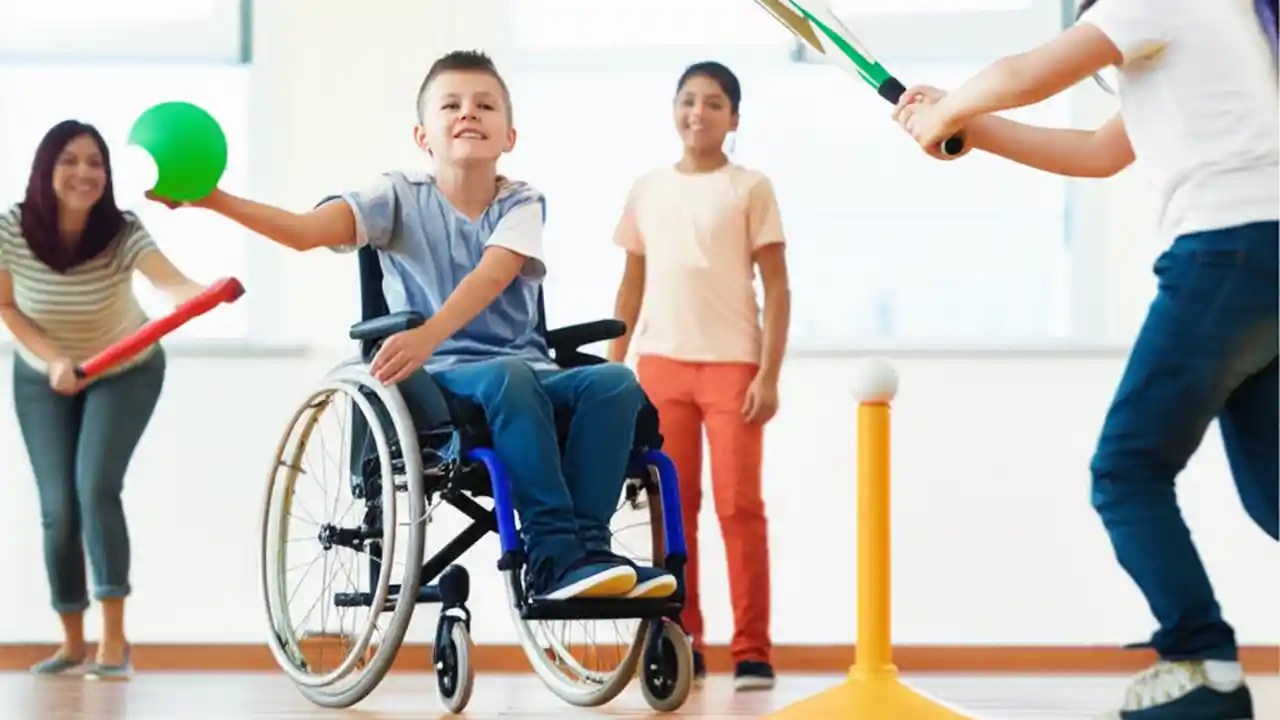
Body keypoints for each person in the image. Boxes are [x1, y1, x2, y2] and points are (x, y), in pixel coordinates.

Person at [153, 49, 678, 603]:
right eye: (451, 105)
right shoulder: (395, 197)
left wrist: (430, 330)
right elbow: (305, 232)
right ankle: (552, 557)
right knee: (509, 377)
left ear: (509, 136)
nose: (468, 113)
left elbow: (493, 274)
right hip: (438, 380)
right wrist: (214, 199)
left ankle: (587, 552)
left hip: (525, 369)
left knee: (615, 382)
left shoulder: (522, 202)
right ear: (422, 135)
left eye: (485, 105)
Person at [892, 1, 1277, 717]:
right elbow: (1099, 153)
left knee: (1127, 472)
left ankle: (1202, 668)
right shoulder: (1226, 18)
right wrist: (968, 125)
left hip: (1225, 252)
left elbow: (1024, 74)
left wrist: (949, 111)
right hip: (1267, 262)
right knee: (1274, 497)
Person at [0, 120, 209, 680]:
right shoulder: (10, 229)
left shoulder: (122, 230)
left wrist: (200, 294)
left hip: (124, 370)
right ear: (45, 168)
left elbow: (171, 283)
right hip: (42, 376)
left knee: (95, 488)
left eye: (95, 162)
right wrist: (53, 360)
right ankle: (72, 642)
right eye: (69, 160)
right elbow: (7, 307)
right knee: (58, 509)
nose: (84, 172)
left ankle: (113, 641)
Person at [608, 61, 790, 691]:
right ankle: (681, 638)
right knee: (673, 511)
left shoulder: (751, 188)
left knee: (740, 508)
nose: (698, 112)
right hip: (661, 366)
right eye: (688, 100)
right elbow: (630, 286)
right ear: (673, 109)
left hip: (734, 365)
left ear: (733, 118)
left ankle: (753, 650)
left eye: (714, 103)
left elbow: (778, 287)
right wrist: (613, 370)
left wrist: (769, 374)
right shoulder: (647, 189)